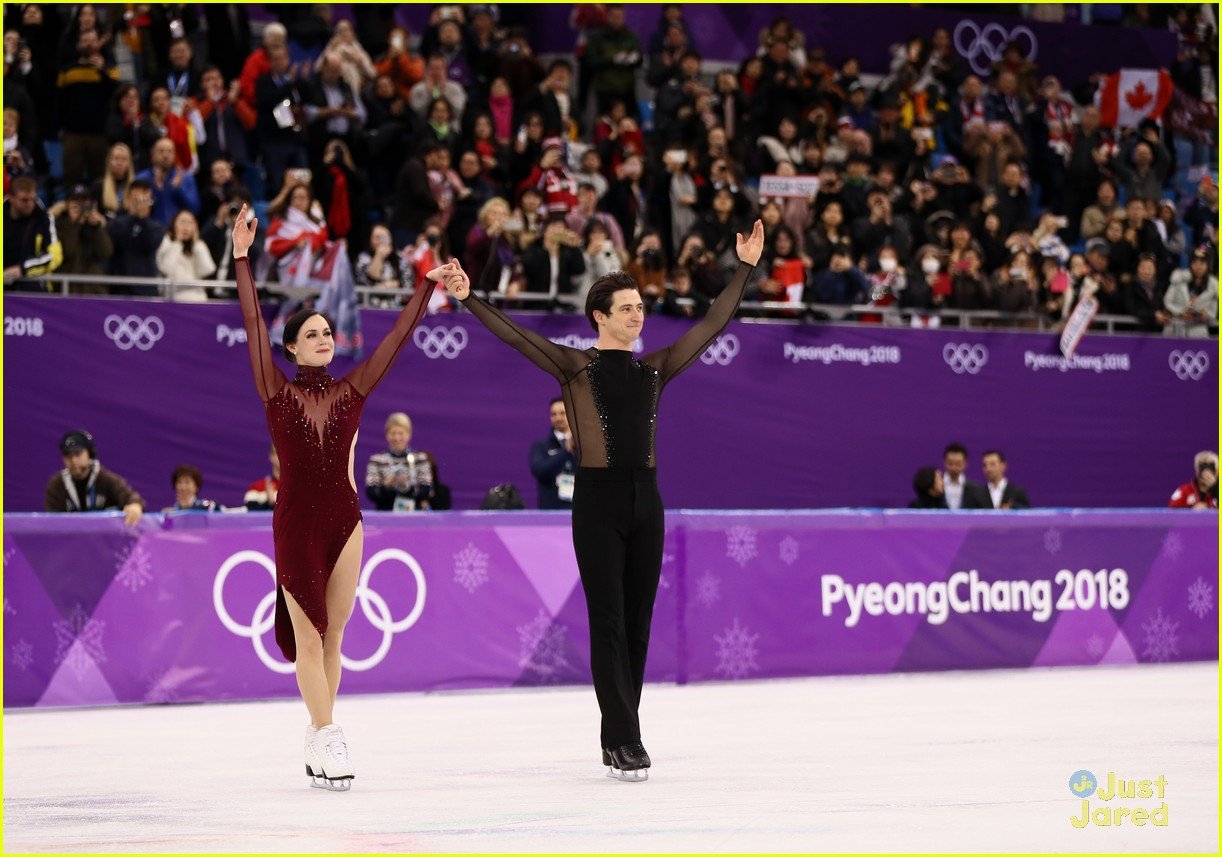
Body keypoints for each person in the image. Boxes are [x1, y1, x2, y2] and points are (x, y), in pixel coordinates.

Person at [436, 219, 765, 781]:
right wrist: (469, 299)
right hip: (597, 503)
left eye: (640, 307)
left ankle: (619, 733)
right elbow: (519, 338)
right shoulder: (576, 367)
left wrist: (746, 270)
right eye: (628, 308)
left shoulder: (654, 371)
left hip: (647, 501)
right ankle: (625, 736)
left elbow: (711, 324)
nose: (638, 315)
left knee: (637, 622)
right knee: (608, 620)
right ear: (601, 316)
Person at [232, 203, 433, 790]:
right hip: (295, 521)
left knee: (336, 634)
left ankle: (319, 729)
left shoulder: (353, 390)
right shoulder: (275, 392)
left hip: (346, 520)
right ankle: (327, 732)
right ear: (292, 349)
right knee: (309, 632)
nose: (323, 338)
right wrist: (242, 258)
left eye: (327, 332)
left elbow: (394, 341)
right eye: (311, 335)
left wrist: (424, 286)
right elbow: (251, 325)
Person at [43, 430, 144, 525]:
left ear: (90, 454)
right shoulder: (56, 485)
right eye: (68, 456)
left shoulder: (106, 479)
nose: (73, 460)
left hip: (105, 540)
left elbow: (132, 499)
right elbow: (53, 523)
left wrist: (135, 506)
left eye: (78, 454)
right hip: (71, 541)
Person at [364, 413, 438, 512]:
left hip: (415, 517)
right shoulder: (376, 460)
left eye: (401, 433)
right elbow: (371, 493)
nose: (397, 438)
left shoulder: (420, 459)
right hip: (384, 516)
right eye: (393, 433)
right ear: (387, 434)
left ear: (409, 434)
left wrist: (407, 488)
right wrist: (387, 486)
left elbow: (427, 491)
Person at [3, 176, 61, 287]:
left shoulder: (44, 218)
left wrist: (22, 268)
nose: (29, 204)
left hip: (33, 286)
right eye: (24, 200)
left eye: (32, 199)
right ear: (11, 198)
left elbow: (54, 255)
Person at [530, 397, 577, 510]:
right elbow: (540, 470)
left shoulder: (584, 446)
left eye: (562, 413)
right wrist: (566, 451)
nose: (558, 418)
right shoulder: (541, 447)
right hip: (551, 513)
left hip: (580, 510)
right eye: (554, 414)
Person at [942, 442, 989, 510]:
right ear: (945, 463)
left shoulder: (975, 489)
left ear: (965, 464)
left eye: (958, 464)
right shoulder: (934, 487)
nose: (954, 467)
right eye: (950, 463)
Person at [244, 445, 280, 510]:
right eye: (278, 452)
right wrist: (269, 503)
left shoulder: (298, 488)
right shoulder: (256, 488)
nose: (282, 457)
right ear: (271, 456)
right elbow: (251, 515)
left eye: (285, 453)